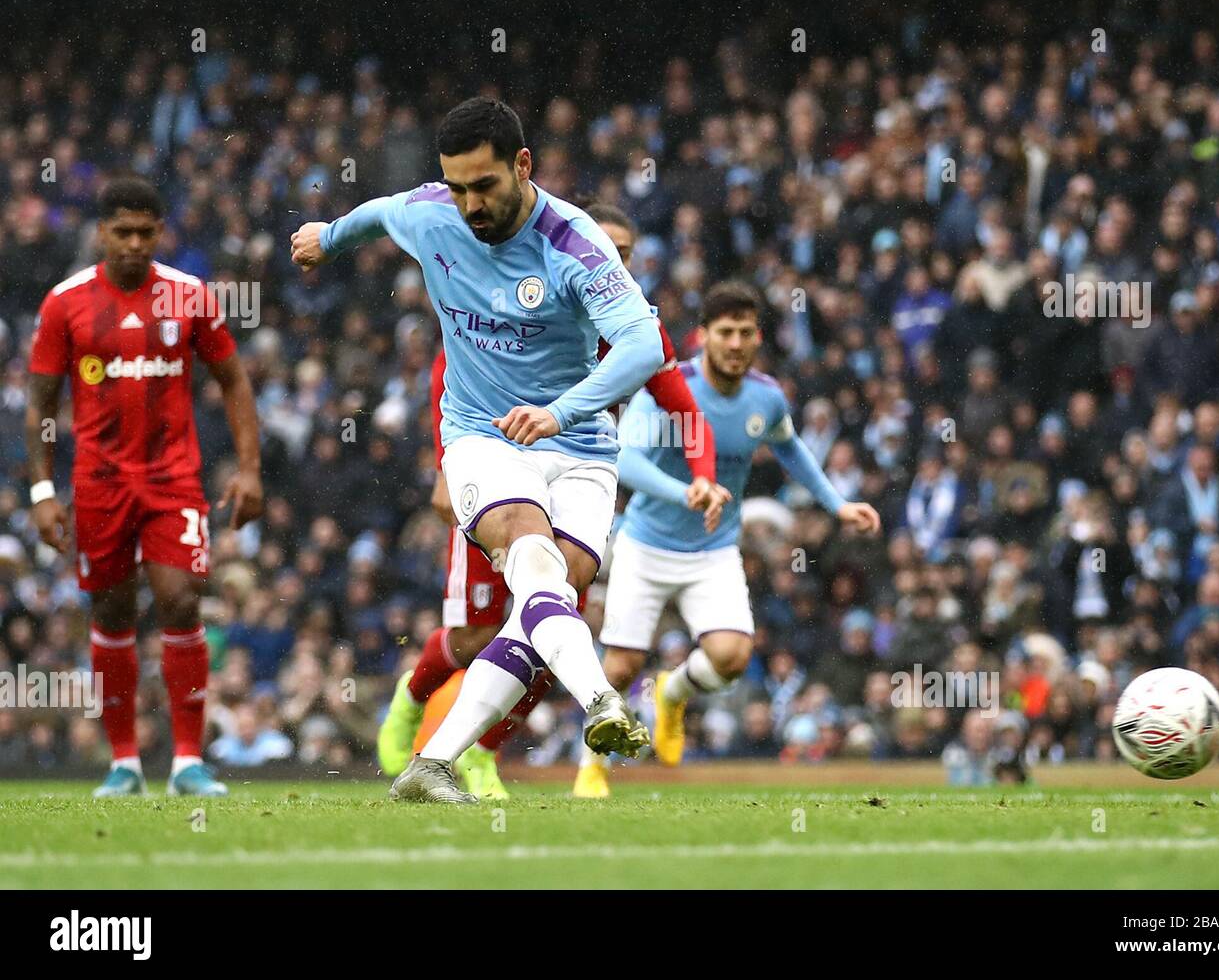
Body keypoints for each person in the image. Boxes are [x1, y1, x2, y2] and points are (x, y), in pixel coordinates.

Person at [291, 97, 665, 803]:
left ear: (523, 166)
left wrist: (562, 410)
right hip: (480, 435)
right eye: (456, 186)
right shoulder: (433, 211)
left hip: (581, 443)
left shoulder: (574, 242)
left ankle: (431, 764)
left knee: (545, 600)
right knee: (532, 554)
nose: (468, 204)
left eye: (483, 186)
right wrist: (329, 235)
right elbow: (380, 211)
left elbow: (644, 342)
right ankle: (602, 703)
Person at [375, 203, 726, 798]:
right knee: (472, 638)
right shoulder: (519, 295)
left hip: (579, 476)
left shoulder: (634, 325)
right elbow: (447, 371)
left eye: (620, 252)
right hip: (496, 466)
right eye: (600, 246)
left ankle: (465, 757)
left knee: (542, 622)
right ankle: (419, 694)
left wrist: (704, 474)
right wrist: (443, 463)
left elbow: (681, 403)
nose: (603, 259)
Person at [573, 281, 881, 798]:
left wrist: (837, 504)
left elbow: (791, 448)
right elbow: (626, 457)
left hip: (713, 550)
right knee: (622, 666)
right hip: (646, 545)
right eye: (725, 333)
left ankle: (672, 691)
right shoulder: (671, 387)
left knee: (732, 657)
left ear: (758, 337)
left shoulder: (766, 396)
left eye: (745, 333)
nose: (736, 344)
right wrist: (685, 491)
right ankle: (592, 766)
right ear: (703, 337)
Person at [25, 176, 263, 797]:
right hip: (99, 483)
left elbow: (233, 381)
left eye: (145, 232)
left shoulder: (189, 297)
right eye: (121, 232)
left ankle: (187, 760)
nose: (133, 243)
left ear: (161, 233)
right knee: (111, 610)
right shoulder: (66, 303)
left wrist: (250, 469)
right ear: (101, 232)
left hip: (172, 479)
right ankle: (124, 761)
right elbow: (40, 405)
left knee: (181, 599)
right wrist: (41, 492)